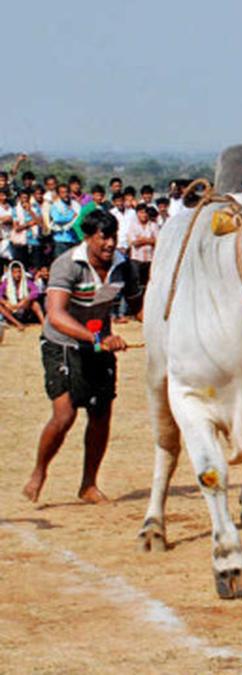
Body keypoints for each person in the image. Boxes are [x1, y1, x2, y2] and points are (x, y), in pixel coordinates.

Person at [22, 209, 139, 504]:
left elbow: (140, 309)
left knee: (101, 415)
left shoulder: (125, 267)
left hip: (99, 347)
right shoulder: (67, 265)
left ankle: (88, 484)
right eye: (103, 238)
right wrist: (98, 339)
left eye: (113, 237)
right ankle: (39, 471)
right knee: (65, 415)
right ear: (87, 238)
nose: (110, 244)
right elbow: (56, 315)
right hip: (61, 344)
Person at [1, 260, 43, 327]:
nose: (17, 274)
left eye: (19, 272)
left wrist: (25, 300)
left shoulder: (27, 281)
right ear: (11, 273)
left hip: (24, 309)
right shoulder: (6, 283)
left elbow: (35, 292)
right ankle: (17, 324)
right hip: (11, 309)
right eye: (15, 272)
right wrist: (5, 303)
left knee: (35, 304)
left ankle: (43, 324)